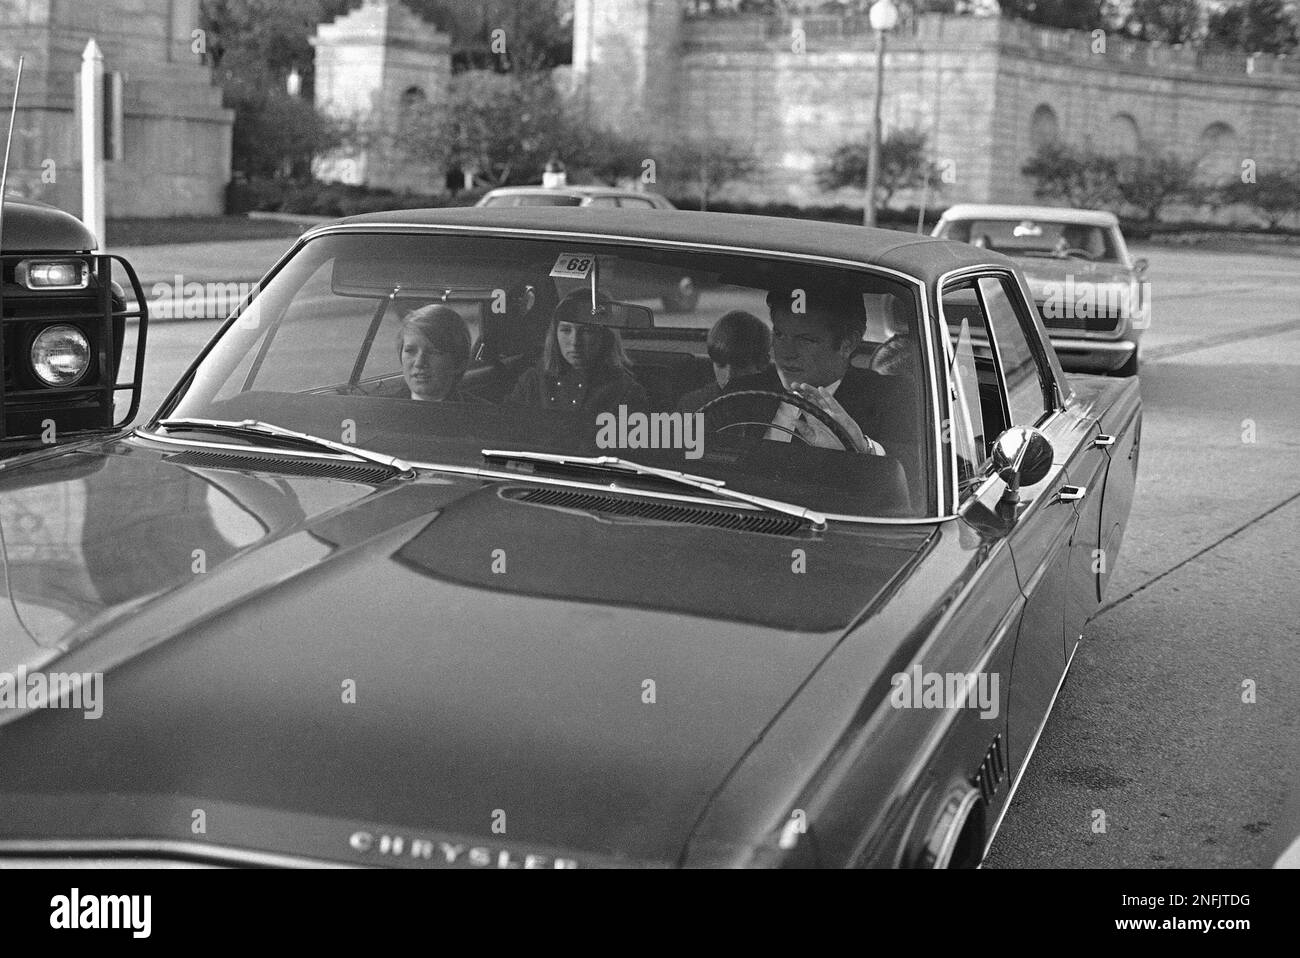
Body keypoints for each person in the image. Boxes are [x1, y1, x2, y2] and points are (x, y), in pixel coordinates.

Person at [710, 287, 919, 479]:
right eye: (780, 334)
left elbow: (921, 474)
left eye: (805, 339)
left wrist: (864, 450)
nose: (786, 353)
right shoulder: (742, 394)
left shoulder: (891, 397)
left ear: (848, 343)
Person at [504, 290, 648, 416]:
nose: (574, 342)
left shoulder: (626, 392)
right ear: (555, 336)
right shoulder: (532, 381)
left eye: (586, 331)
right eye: (566, 330)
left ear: (605, 336)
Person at [678, 309, 771, 413]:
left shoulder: (779, 406)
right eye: (720, 365)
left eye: (739, 365)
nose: (728, 376)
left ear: (763, 363)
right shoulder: (693, 404)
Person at [398, 304, 474, 401]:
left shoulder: (483, 414)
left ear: (459, 363)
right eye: (410, 351)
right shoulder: (381, 410)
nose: (419, 363)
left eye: (433, 352)